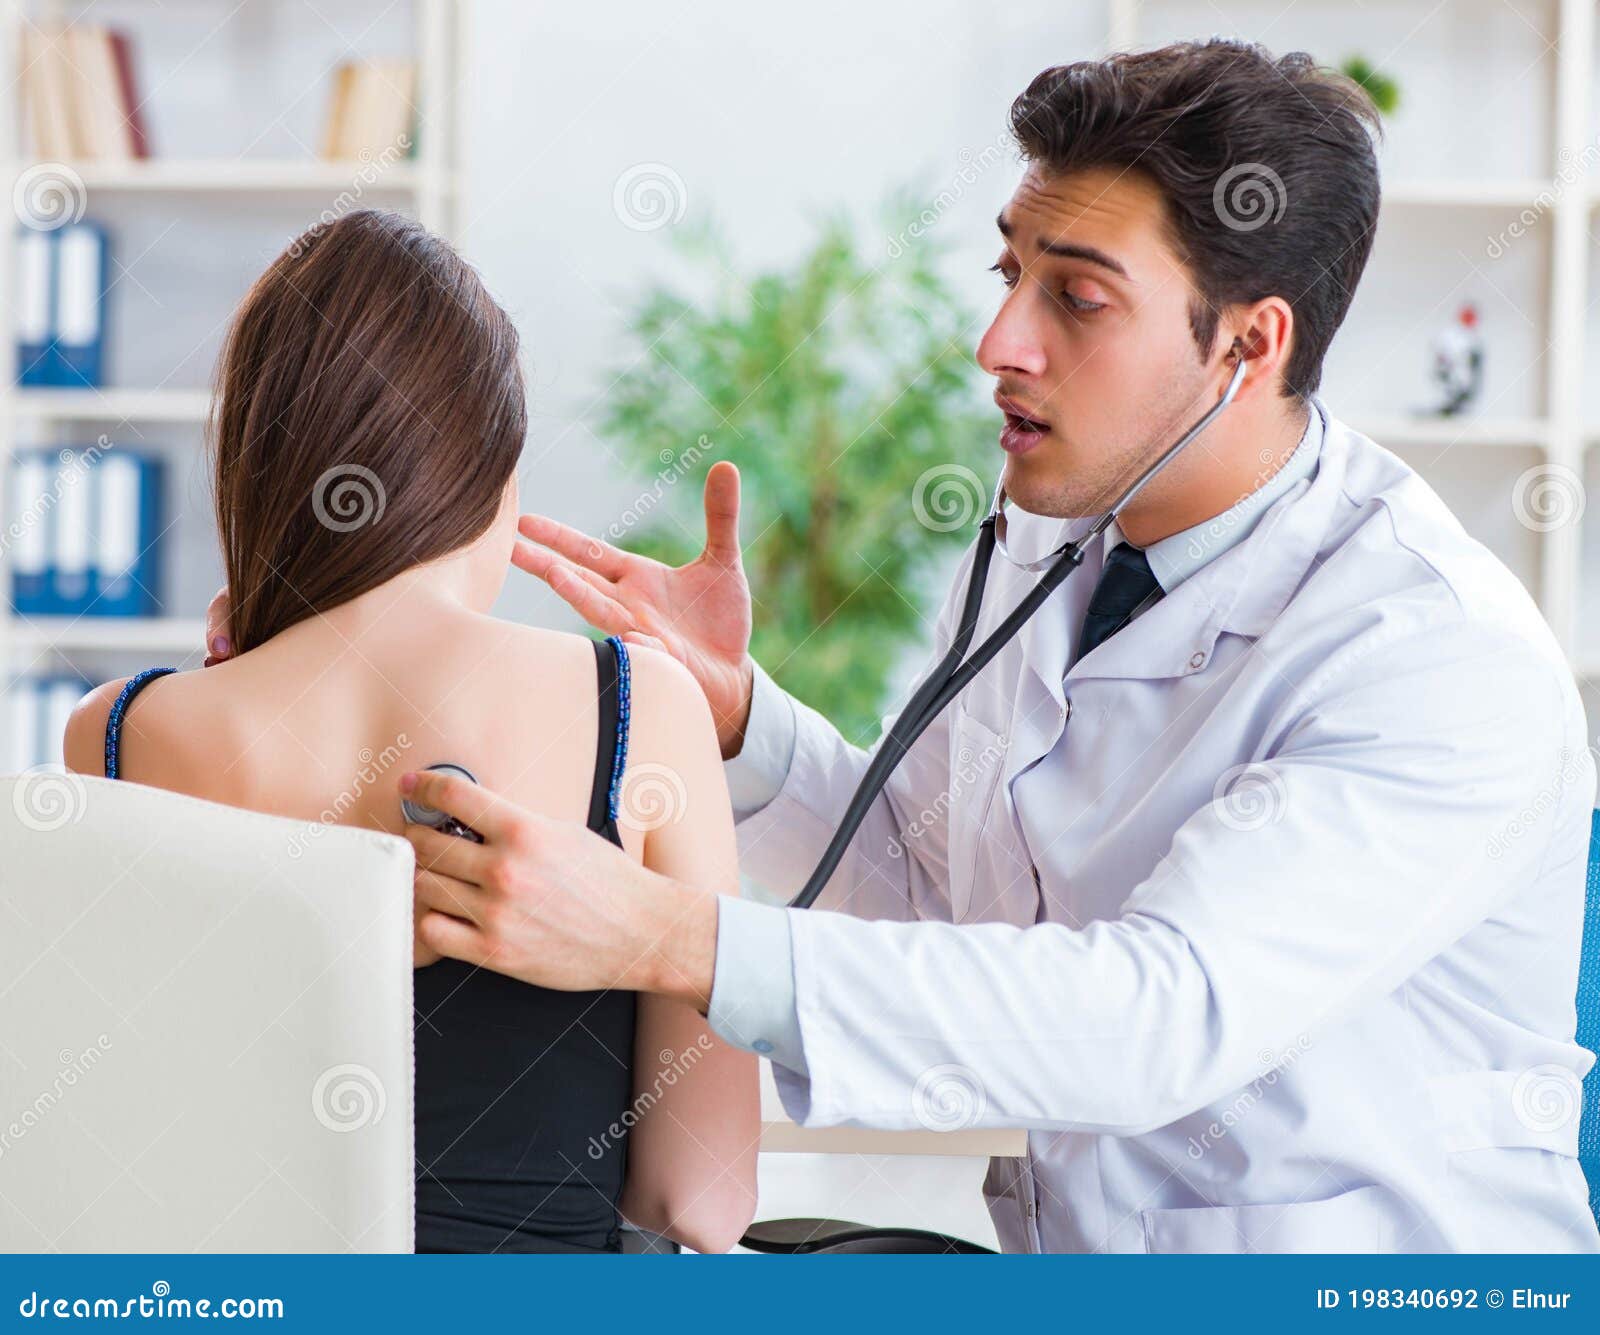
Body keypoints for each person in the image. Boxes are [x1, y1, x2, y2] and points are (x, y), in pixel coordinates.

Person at [392, 41, 1600, 1254]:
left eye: (1074, 298)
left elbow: (1154, 1020)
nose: (997, 341)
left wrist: (664, 933)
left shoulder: (1431, 655)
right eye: (1008, 271)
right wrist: (739, 726)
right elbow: (939, 890)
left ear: (1248, 347)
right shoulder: (1061, 553)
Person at [66, 209, 759, 1254]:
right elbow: (697, 1200)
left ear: (258, 471)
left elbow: (107, 1130)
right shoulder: (637, 707)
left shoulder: (115, 734)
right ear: (492, 477)